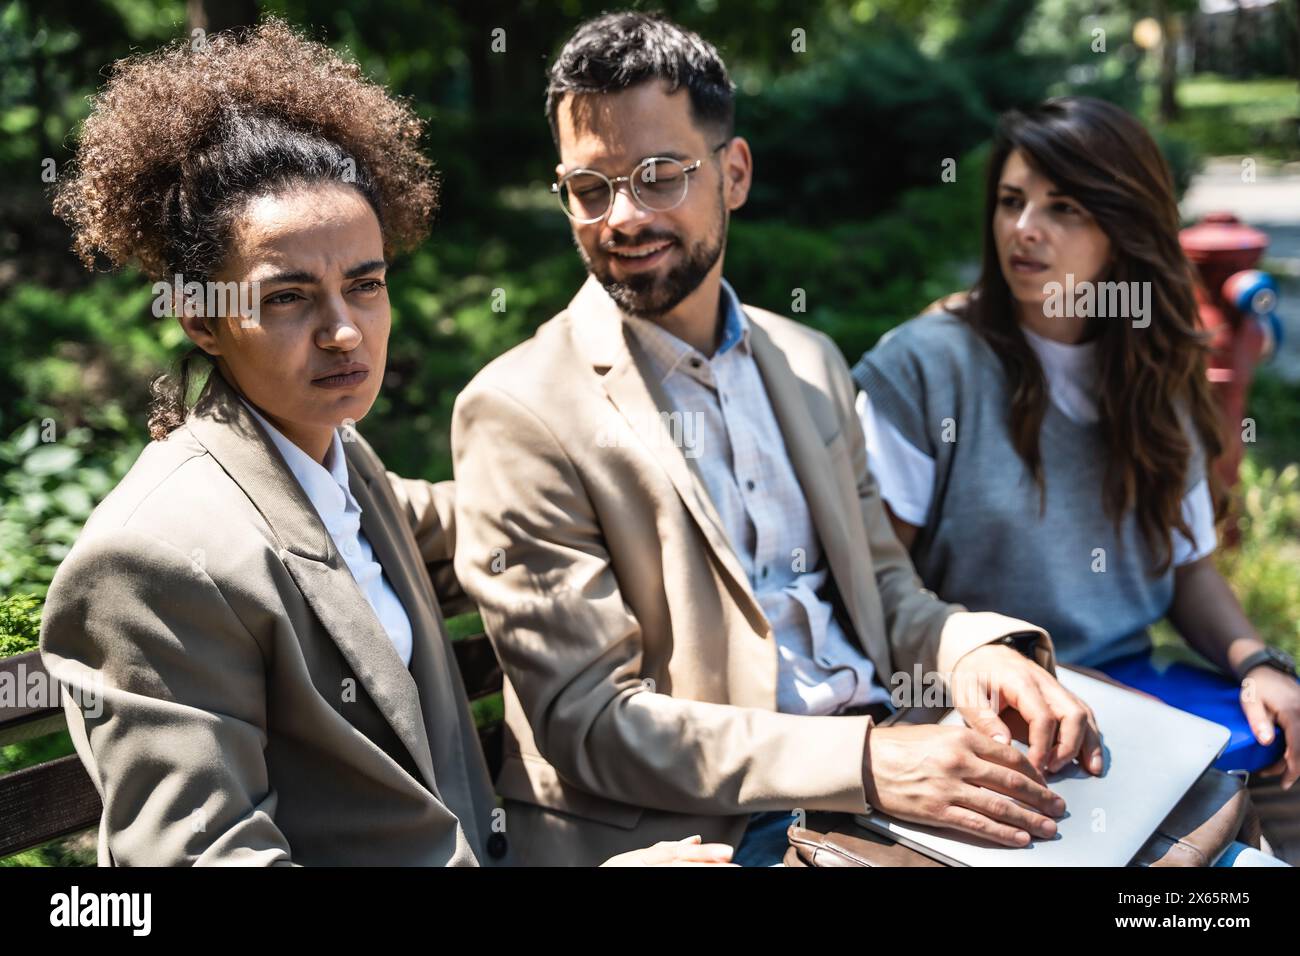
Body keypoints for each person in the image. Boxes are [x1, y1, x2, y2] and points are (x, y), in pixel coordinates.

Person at [40, 18, 730, 868]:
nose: (343, 332)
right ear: (201, 318)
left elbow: (454, 515)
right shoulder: (153, 559)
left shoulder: (331, 458)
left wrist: (660, 491)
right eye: (289, 297)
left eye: (364, 285)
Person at [450, 12, 1104, 868]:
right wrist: (868, 764)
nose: (622, 217)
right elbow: (593, 722)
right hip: (707, 835)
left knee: (1171, 855)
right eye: (590, 187)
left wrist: (971, 649)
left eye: (657, 176)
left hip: (885, 786)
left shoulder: (807, 360)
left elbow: (881, 584)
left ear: (735, 173)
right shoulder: (518, 410)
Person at [852, 96, 1300, 862]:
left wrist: (1258, 663)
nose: (1024, 229)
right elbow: (874, 585)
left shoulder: (1158, 364)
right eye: (1011, 201)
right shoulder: (924, 368)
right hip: (994, 704)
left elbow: (1187, 567)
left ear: (1124, 230)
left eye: (1064, 208)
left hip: (1137, 690)